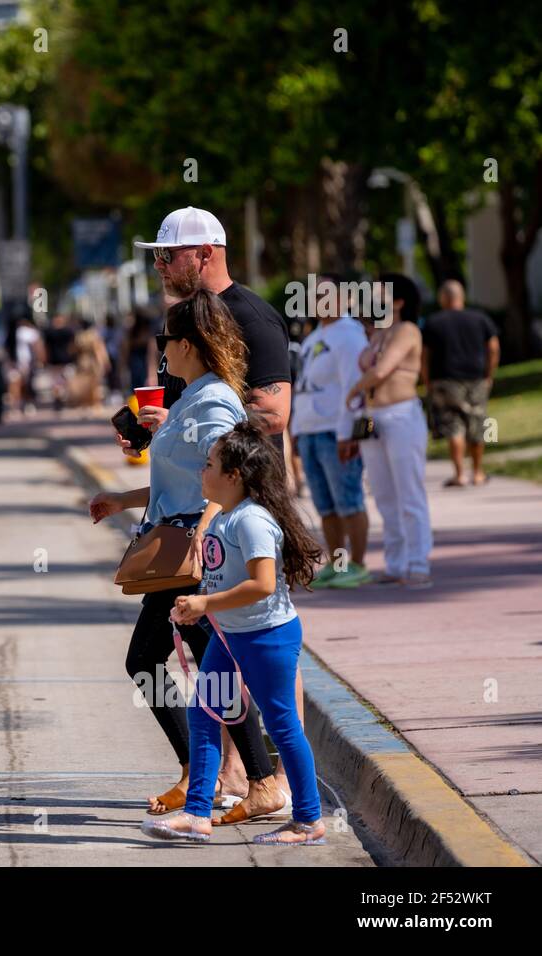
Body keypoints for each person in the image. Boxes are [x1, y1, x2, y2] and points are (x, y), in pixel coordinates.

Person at [89, 291, 283, 822]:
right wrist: (121, 499)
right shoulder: (194, 397)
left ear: (190, 344)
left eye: (167, 340)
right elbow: (180, 480)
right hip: (176, 543)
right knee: (211, 664)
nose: (161, 351)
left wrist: (201, 535)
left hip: (192, 554)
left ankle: (236, 779)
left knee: (163, 660)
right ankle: (243, 779)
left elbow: (226, 479)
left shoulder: (215, 399)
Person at [142, 421, 326, 845]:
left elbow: (262, 584)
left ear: (233, 476)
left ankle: (309, 820)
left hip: (267, 637)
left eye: (208, 465)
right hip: (231, 636)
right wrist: (197, 605)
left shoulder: (252, 521)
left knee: (282, 726)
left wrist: (206, 604)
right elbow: (226, 576)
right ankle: (197, 814)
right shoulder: (226, 516)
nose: (201, 472)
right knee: (204, 714)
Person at [133, 206, 292, 444]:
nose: (157, 265)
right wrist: (147, 432)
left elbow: (273, 415)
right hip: (188, 478)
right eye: (156, 255)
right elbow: (178, 404)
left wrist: (179, 424)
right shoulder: (181, 317)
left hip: (238, 478)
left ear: (205, 253)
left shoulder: (254, 319)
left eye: (166, 254)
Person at [345, 274, 433, 589]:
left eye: (380, 293)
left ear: (399, 301)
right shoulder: (378, 332)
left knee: (409, 493)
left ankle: (418, 562)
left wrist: (354, 388)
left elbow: (382, 371)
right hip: (373, 417)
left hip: (401, 414)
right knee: (383, 494)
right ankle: (396, 563)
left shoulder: (407, 330)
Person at [290, 274, 371, 588]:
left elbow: (355, 387)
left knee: (348, 501)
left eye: (325, 294)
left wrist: (347, 433)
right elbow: (303, 387)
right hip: (310, 431)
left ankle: (360, 563)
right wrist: (297, 429)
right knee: (326, 507)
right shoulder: (314, 337)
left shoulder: (349, 335)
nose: (317, 300)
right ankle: (338, 565)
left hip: (334, 433)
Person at [422, 279, 500, 487]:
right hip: (476, 379)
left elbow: (425, 355)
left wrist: (427, 380)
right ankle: (478, 472)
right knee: (478, 423)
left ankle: (459, 474)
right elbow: (493, 347)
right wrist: (489, 374)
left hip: (444, 380)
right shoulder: (480, 318)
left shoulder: (433, 321)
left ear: (443, 298)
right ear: (461, 297)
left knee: (453, 426)